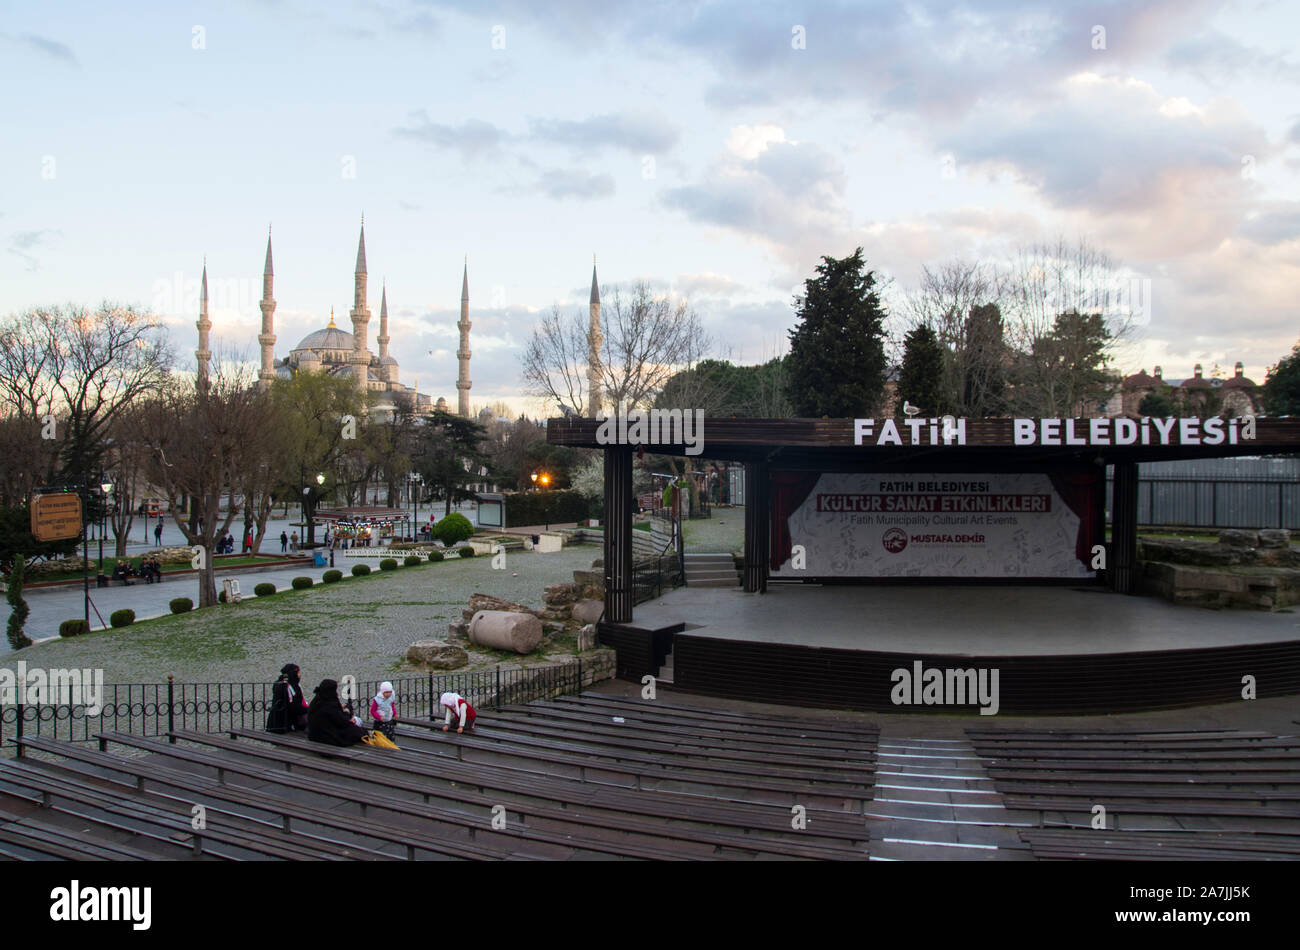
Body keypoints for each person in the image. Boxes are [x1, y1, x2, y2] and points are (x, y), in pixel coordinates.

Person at [306, 679, 368, 746]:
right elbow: (342, 722)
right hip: (327, 737)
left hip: (314, 735)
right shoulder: (331, 704)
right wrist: (347, 711)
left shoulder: (316, 701)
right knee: (359, 731)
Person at [266, 663, 309, 733]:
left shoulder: (280, 683)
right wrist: (309, 710)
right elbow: (294, 707)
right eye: (298, 673)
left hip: (274, 722)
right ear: (294, 674)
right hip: (284, 724)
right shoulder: (289, 686)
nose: (300, 675)